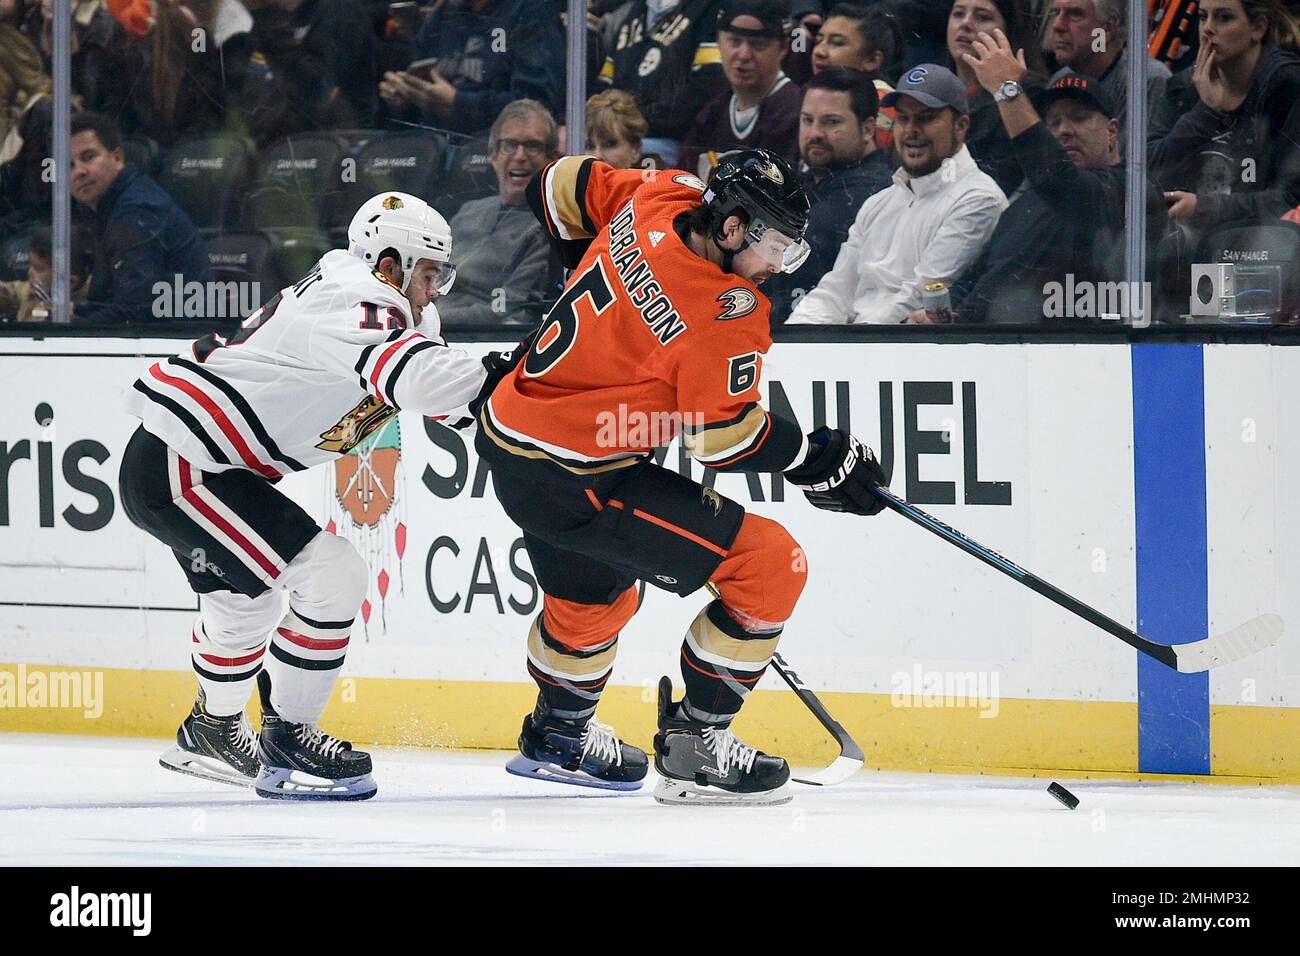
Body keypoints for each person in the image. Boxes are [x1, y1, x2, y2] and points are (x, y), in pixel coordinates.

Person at [473, 147, 890, 806]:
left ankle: (559, 734)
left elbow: (556, 186)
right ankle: (697, 746)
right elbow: (722, 440)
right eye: (774, 243)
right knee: (771, 566)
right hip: (581, 476)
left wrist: (591, 284)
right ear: (729, 229)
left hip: (512, 445)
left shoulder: (662, 192)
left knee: (595, 598)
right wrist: (817, 458)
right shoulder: (726, 311)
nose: (777, 264)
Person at [117, 191, 492, 800]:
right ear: (390, 263)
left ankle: (210, 731)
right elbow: (424, 383)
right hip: (182, 464)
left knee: (249, 602)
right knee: (332, 571)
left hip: (200, 463)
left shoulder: (399, 310)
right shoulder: (355, 296)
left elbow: (455, 402)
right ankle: (289, 740)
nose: (435, 289)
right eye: (429, 273)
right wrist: (513, 370)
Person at [949, 43, 1167, 324]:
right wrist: (942, 314)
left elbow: (1062, 183)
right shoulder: (1024, 205)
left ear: (1112, 132)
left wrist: (1008, 90)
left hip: (1076, 353)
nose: (1064, 130)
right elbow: (977, 276)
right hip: (984, 348)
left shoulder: (1132, 190)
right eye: (1053, 122)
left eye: (1079, 118)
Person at [787, 64, 1006, 324]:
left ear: (960, 126)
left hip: (906, 352)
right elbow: (835, 292)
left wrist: (854, 347)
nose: (911, 130)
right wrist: (791, 342)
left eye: (926, 118)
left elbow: (922, 293)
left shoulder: (978, 198)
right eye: (903, 118)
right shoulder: (879, 203)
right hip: (858, 345)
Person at [1149, 0, 1300, 234]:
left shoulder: (1285, 86)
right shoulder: (1181, 88)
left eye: (1224, 18)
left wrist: (1205, 209)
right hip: (1182, 241)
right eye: (1202, 17)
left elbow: (1289, 195)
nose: (1207, 28)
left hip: (1263, 245)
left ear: (1257, 28)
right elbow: (1148, 172)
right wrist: (1205, 112)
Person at [765, 66, 893, 323]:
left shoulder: (875, 194)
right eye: (807, 120)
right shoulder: (803, 184)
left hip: (820, 343)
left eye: (831, 122)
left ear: (868, 129)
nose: (814, 134)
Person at [69, 111, 212, 325]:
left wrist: (70, 331)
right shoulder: (110, 207)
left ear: (117, 158)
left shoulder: (135, 211)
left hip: (177, 343)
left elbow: (134, 311)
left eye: (89, 157)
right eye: (69, 165)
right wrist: (74, 311)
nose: (79, 171)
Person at [436, 99, 562, 326]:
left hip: (478, 336)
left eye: (532, 145)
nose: (520, 156)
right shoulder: (468, 211)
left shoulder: (548, 227)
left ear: (551, 159)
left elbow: (509, 312)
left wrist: (427, 319)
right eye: (510, 145)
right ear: (493, 154)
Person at [379, 0, 565, 137]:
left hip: (498, 151)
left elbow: (537, 106)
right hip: (436, 150)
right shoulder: (444, 14)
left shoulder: (531, 12)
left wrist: (458, 103)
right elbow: (420, 83)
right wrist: (405, 96)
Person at [679, 0, 803, 178]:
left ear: (783, 47)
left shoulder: (794, 113)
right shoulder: (712, 113)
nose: (744, 55)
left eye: (758, 44)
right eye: (735, 41)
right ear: (719, 42)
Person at [593, 0, 727, 164]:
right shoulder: (637, 11)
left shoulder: (709, 8)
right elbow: (604, 86)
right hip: (622, 134)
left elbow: (706, 87)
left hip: (672, 141)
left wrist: (631, 124)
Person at [945, 0, 1046, 196]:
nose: (965, 23)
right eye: (958, 14)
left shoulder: (1027, 95)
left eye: (982, 17)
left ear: (1008, 31)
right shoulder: (932, 92)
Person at [1045, 0, 1170, 144]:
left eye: (1075, 14)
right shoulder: (1060, 80)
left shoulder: (1145, 80)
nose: (1057, 25)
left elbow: (1143, 163)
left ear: (1108, 28)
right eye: (1055, 13)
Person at [810, 3, 905, 152]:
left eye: (837, 43)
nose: (819, 51)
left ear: (872, 60)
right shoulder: (812, 95)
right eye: (818, 41)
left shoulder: (884, 105)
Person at [0, 225, 91, 323]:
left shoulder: (87, 306)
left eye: (38, 269)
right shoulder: (30, 292)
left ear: (69, 282)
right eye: (31, 265)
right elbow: (8, 291)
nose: (30, 272)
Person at [585, 88, 656, 170]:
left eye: (609, 144)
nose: (597, 156)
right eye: (589, 146)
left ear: (635, 150)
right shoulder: (573, 180)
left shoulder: (659, 180)